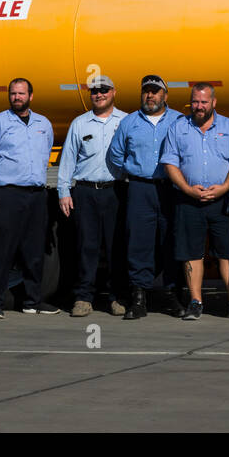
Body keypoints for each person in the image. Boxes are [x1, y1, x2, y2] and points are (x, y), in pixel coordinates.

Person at [160, 83, 229, 321]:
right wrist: (187, 189)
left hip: (222, 200)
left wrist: (226, 187)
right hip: (188, 200)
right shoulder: (179, 127)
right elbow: (170, 163)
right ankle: (196, 302)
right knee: (192, 252)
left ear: (213, 103)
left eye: (204, 102)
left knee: (227, 253)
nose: (199, 106)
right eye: (195, 101)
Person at [0, 78, 56, 318]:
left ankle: (33, 300)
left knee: (34, 249)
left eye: (21, 93)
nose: (16, 97)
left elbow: (46, 152)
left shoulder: (44, 123)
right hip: (8, 193)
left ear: (31, 96)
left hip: (37, 195)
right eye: (13, 94)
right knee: (3, 249)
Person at [106, 75, 182, 320]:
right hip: (140, 189)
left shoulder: (179, 120)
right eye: (146, 91)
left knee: (171, 240)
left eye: (155, 91)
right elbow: (115, 155)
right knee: (139, 243)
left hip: (170, 188)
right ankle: (139, 298)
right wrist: (132, 172)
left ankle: (173, 294)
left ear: (165, 96)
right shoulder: (129, 122)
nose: (150, 96)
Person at [57, 76, 128, 317]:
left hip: (116, 191)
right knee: (86, 246)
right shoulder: (80, 123)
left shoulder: (126, 121)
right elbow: (67, 158)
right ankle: (83, 298)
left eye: (104, 90)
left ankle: (117, 297)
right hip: (86, 191)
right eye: (95, 91)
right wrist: (64, 191)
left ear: (113, 92)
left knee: (116, 246)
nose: (99, 95)